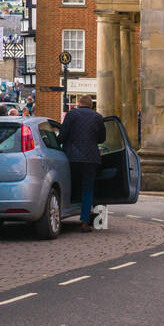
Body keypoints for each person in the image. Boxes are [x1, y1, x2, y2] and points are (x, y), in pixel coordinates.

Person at [58, 95, 106, 232]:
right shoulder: (97, 117)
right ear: (91, 105)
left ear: (79, 104)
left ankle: (62, 214)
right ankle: (84, 221)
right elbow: (102, 138)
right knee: (87, 189)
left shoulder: (71, 115)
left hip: (71, 158)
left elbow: (62, 136)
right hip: (91, 159)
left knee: (68, 185)